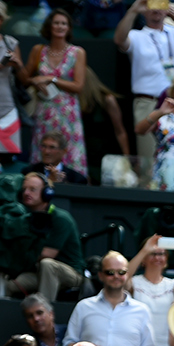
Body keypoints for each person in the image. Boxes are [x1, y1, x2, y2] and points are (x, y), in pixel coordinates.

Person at [115, 0, 174, 181]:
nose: (156, 10)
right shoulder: (137, 35)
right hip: (148, 101)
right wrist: (133, 11)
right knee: (148, 158)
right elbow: (119, 40)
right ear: (145, 10)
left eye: (161, 4)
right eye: (152, 4)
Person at [64, 251, 157, 346]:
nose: (116, 276)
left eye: (121, 272)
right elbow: (69, 342)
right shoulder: (83, 307)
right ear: (101, 275)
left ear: (127, 275)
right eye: (110, 272)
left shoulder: (142, 310)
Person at [3, 175, 83, 303]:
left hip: (70, 273)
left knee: (47, 264)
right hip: (38, 271)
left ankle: (44, 309)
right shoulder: (26, 219)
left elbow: (47, 254)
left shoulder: (61, 218)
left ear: (47, 193)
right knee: (10, 285)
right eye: (24, 189)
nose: (26, 193)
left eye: (32, 189)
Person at [25, 10, 86, 177]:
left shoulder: (77, 52)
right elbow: (25, 78)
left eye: (64, 23)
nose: (60, 26)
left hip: (68, 113)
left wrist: (52, 79)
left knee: (69, 152)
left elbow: (78, 86)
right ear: (49, 26)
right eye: (56, 23)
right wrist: (35, 80)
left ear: (69, 28)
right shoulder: (38, 50)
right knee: (44, 148)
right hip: (44, 110)